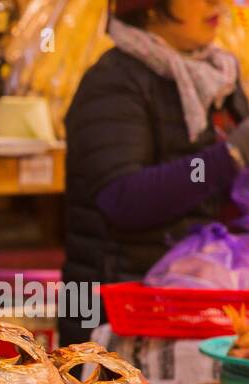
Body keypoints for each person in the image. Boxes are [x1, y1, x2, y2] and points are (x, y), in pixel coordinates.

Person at [62, 0, 249, 347]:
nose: (216, 2)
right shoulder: (113, 82)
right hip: (120, 317)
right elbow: (125, 198)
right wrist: (228, 156)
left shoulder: (219, 76)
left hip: (202, 308)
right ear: (149, 7)